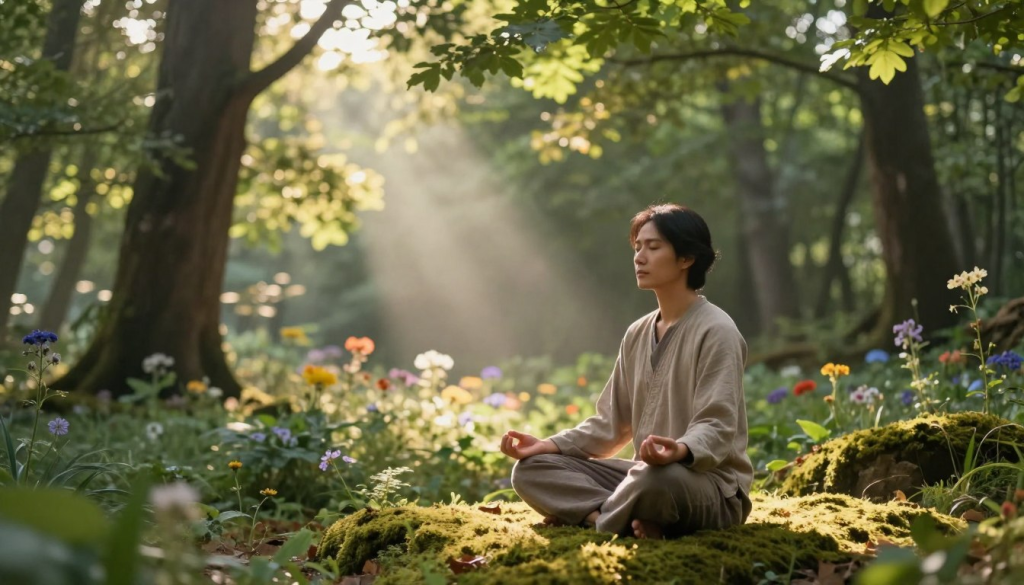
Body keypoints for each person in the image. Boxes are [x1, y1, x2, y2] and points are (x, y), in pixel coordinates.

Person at [501, 203, 753, 539]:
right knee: (530, 470)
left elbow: (718, 425)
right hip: (641, 477)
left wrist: (678, 451)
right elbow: (610, 425)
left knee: (656, 480)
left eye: (653, 247)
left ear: (686, 258)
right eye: (637, 248)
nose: (639, 257)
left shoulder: (717, 330)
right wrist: (547, 445)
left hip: (707, 487)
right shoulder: (637, 333)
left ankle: (602, 520)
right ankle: (626, 521)